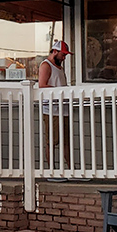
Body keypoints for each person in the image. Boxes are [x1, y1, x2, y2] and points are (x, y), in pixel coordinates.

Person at [37, 41, 72, 171]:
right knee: (52, 141)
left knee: (65, 141)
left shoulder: (60, 68)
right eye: (63, 55)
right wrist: (59, 91)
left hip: (63, 108)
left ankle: (70, 168)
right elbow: (42, 85)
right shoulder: (46, 65)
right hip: (52, 109)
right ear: (55, 52)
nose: (64, 58)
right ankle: (51, 169)